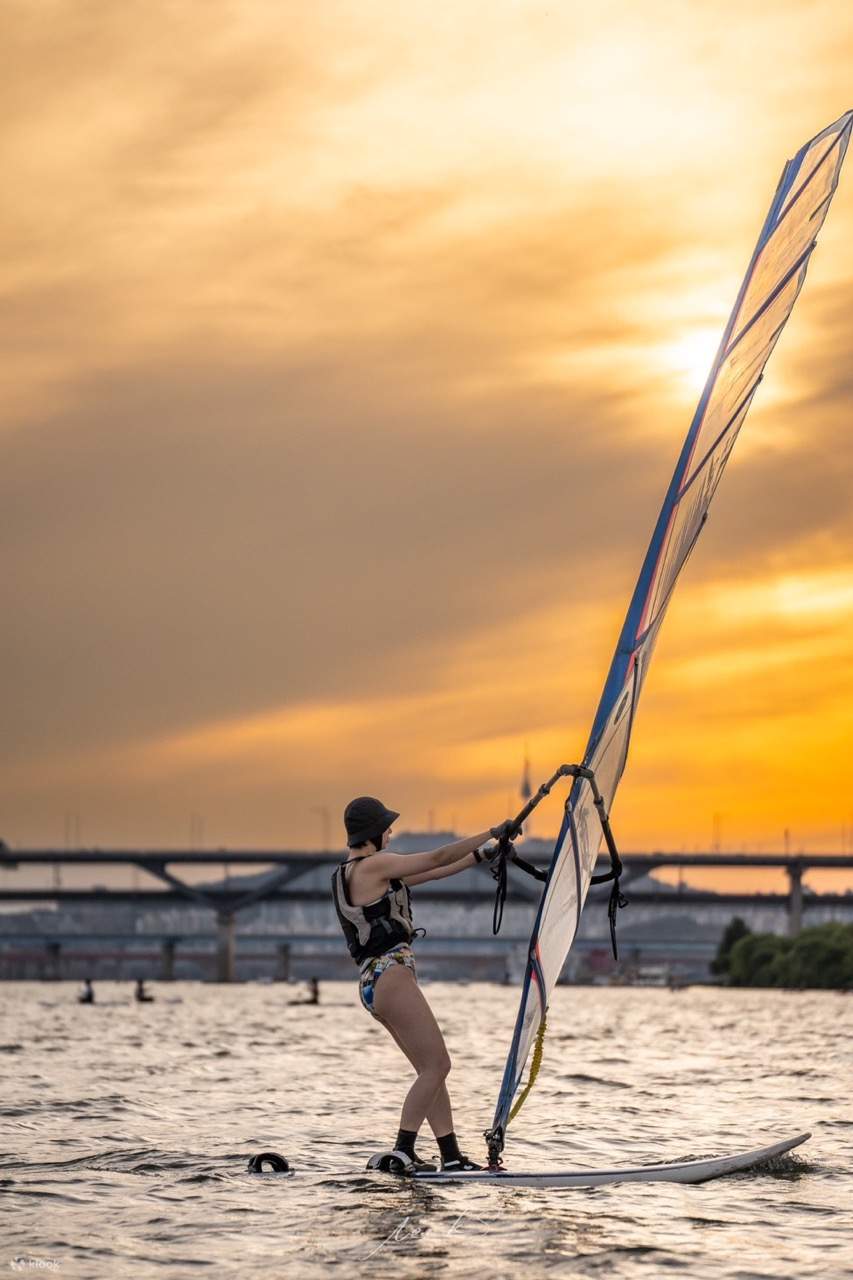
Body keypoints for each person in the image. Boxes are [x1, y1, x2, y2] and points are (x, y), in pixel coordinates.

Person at [332, 795, 508, 1173]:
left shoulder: (354, 872)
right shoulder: (373, 865)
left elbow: (434, 871)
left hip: (373, 982)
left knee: (430, 1069)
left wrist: (485, 853)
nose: (391, 833)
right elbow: (437, 857)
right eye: (386, 828)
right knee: (439, 1064)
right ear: (373, 835)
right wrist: (491, 831)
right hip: (390, 974)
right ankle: (404, 1149)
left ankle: (451, 1156)